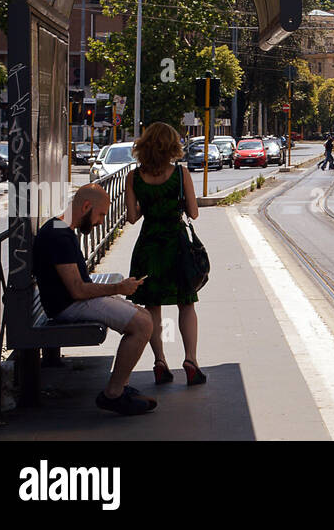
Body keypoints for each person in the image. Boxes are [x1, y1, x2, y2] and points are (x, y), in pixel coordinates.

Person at [31, 183, 156, 415]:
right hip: (68, 306)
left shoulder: (60, 228)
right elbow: (78, 290)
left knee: (145, 316)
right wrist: (119, 287)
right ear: (86, 206)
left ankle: (121, 387)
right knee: (143, 324)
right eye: (100, 214)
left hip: (70, 301)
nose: (100, 221)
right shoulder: (59, 236)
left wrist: (118, 289)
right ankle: (114, 394)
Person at [126, 122, 206, 387]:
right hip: (177, 245)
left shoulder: (134, 177)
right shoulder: (181, 174)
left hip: (149, 246)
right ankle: (191, 361)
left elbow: (132, 217)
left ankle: (160, 361)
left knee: (152, 306)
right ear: (172, 145)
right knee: (186, 302)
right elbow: (193, 212)